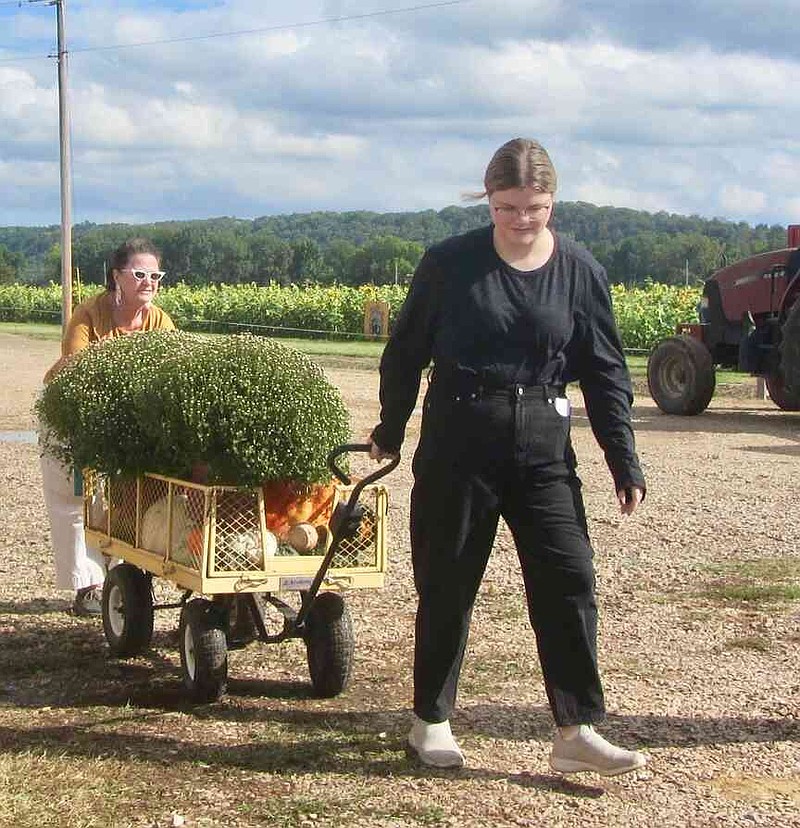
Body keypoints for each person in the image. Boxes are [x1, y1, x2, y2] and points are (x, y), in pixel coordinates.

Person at [368, 138, 648, 776]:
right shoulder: (448, 265)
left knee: (570, 579)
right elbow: (407, 350)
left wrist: (622, 458)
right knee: (449, 583)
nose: (523, 220)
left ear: (554, 201)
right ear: (487, 199)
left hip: (545, 446)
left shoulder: (578, 269)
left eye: (536, 207)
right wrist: (392, 424)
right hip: (459, 442)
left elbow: (605, 371)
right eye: (508, 207)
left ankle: (575, 730)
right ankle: (430, 721)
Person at [40, 238, 175, 616]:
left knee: (129, 492)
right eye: (139, 274)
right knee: (77, 497)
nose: (149, 281)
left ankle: (122, 577)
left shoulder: (159, 320)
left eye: (155, 275)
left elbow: (174, 369)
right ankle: (88, 585)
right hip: (70, 413)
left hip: (125, 414)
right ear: (117, 277)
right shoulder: (88, 315)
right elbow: (78, 371)